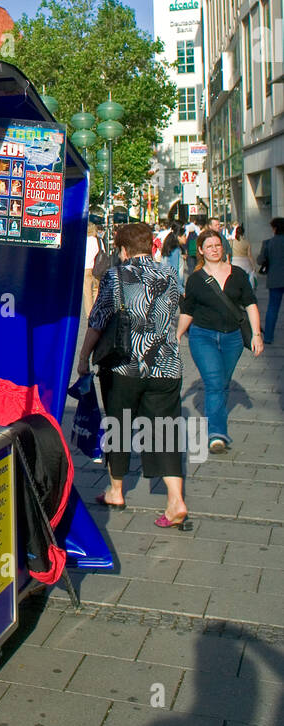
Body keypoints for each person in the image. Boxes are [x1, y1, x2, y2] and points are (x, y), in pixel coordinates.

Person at [77, 222, 189, 528]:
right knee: (164, 430)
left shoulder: (116, 276)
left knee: (119, 425)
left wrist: (84, 358)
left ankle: (116, 491)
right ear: (151, 246)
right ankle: (176, 499)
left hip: (124, 365)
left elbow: (98, 321)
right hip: (166, 365)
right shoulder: (168, 273)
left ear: (122, 249)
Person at [177, 228, 263, 453]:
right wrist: (176, 335)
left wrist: (257, 334)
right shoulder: (196, 279)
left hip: (232, 338)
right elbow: (187, 310)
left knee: (223, 383)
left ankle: (215, 421)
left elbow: (251, 304)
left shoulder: (238, 274)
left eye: (217, 245)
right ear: (202, 251)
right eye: (209, 247)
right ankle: (217, 433)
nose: (214, 249)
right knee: (215, 382)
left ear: (222, 247)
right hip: (203, 336)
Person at [257, 217, 284, 343]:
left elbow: (260, 260)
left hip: (275, 279)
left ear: (274, 229)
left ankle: (268, 337)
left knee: (272, 308)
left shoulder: (268, 243)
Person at [82, 222, 101, 314]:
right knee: (97, 289)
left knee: (87, 292)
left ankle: (89, 313)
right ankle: (96, 309)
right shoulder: (96, 240)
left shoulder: (82, 240)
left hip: (85, 267)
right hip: (96, 267)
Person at [230, 224, 256, 288]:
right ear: (243, 232)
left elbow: (229, 253)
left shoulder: (232, 242)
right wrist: (253, 266)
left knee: (235, 279)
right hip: (245, 262)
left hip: (235, 261)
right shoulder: (247, 243)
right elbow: (249, 255)